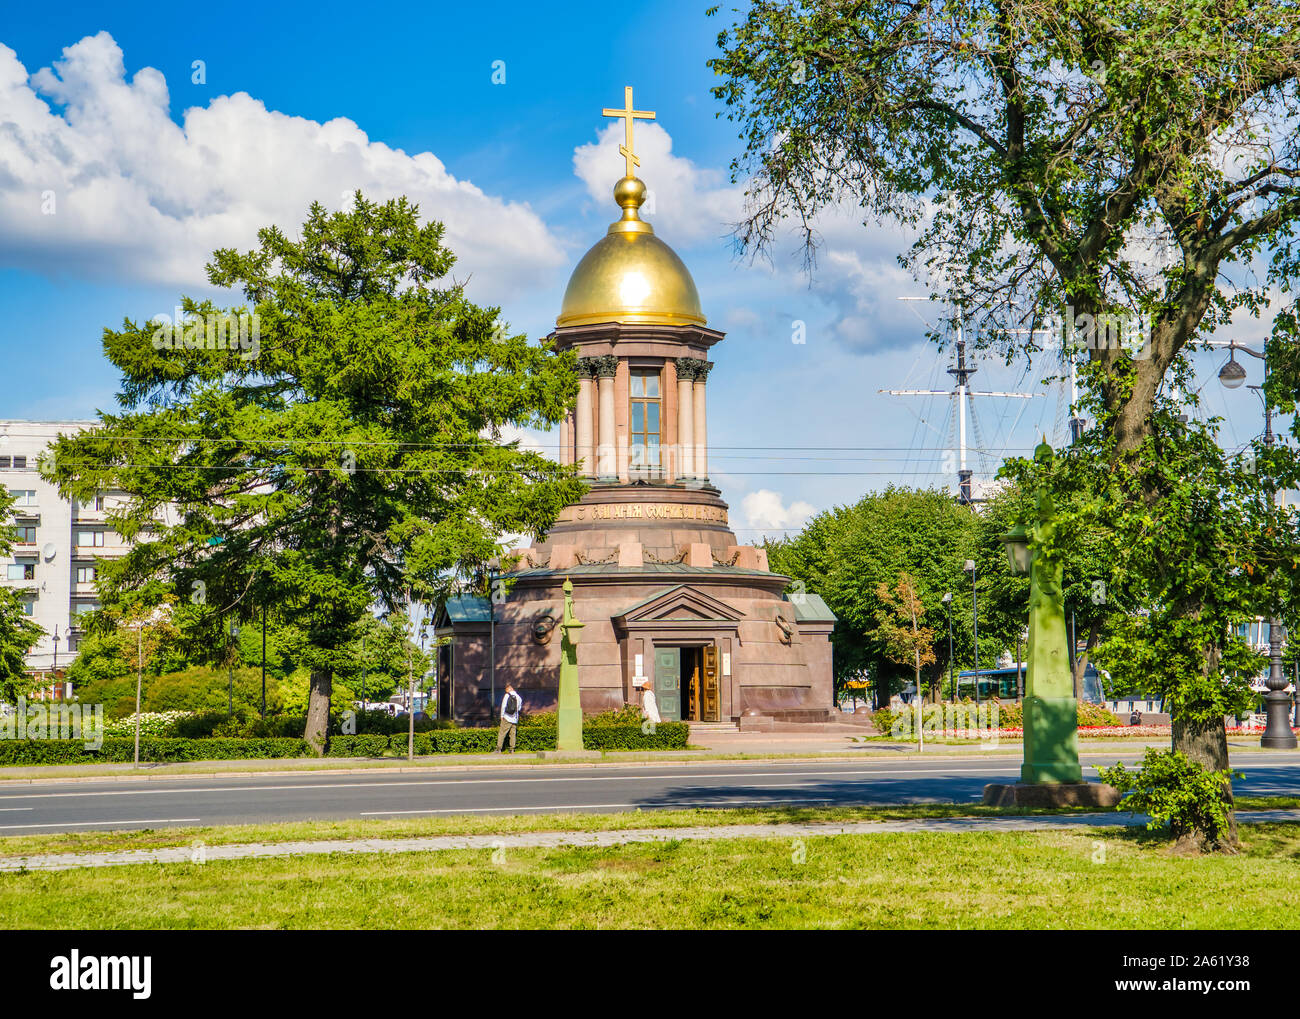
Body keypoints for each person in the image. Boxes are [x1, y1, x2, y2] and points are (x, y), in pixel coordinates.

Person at [496, 684, 523, 753]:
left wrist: (502, 715)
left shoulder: (507, 695)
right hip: (514, 719)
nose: (506, 692)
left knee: (502, 733)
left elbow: (503, 706)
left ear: (509, 689)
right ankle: (512, 749)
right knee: (512, 734)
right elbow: (519, 709)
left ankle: (498, 749)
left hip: (507, 717)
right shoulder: (519, 697)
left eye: (506, 690)